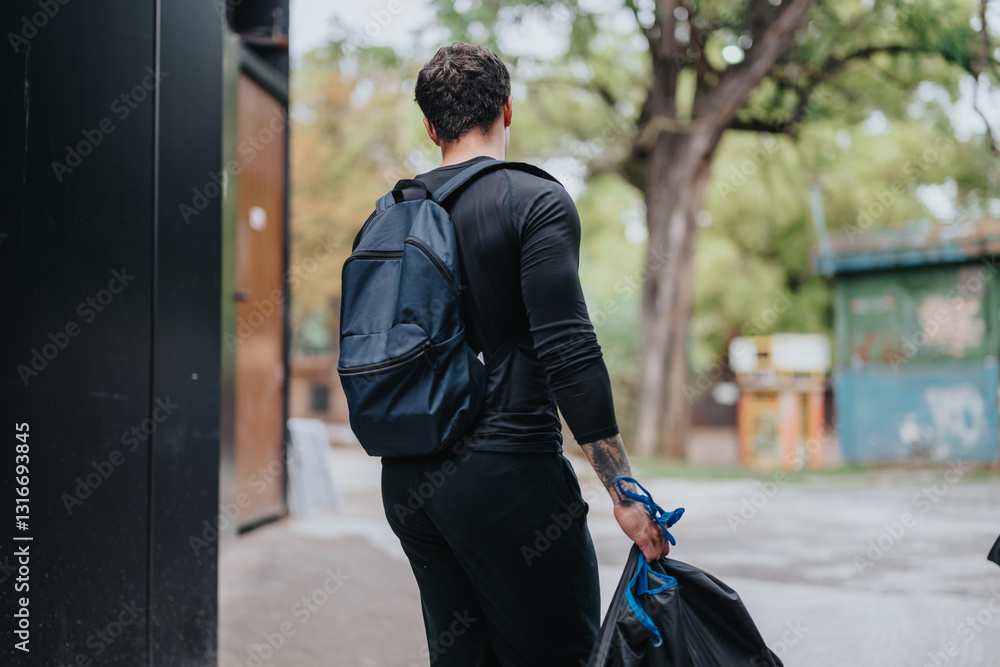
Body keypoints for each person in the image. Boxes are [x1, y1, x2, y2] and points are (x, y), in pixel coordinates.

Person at [379, 42, 669, 667]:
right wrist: (622, 490)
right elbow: (569, 349)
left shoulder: (394, 214)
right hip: (506, 479)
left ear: (430, 126)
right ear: (507, 109)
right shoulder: (532, 200)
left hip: (409, 485)